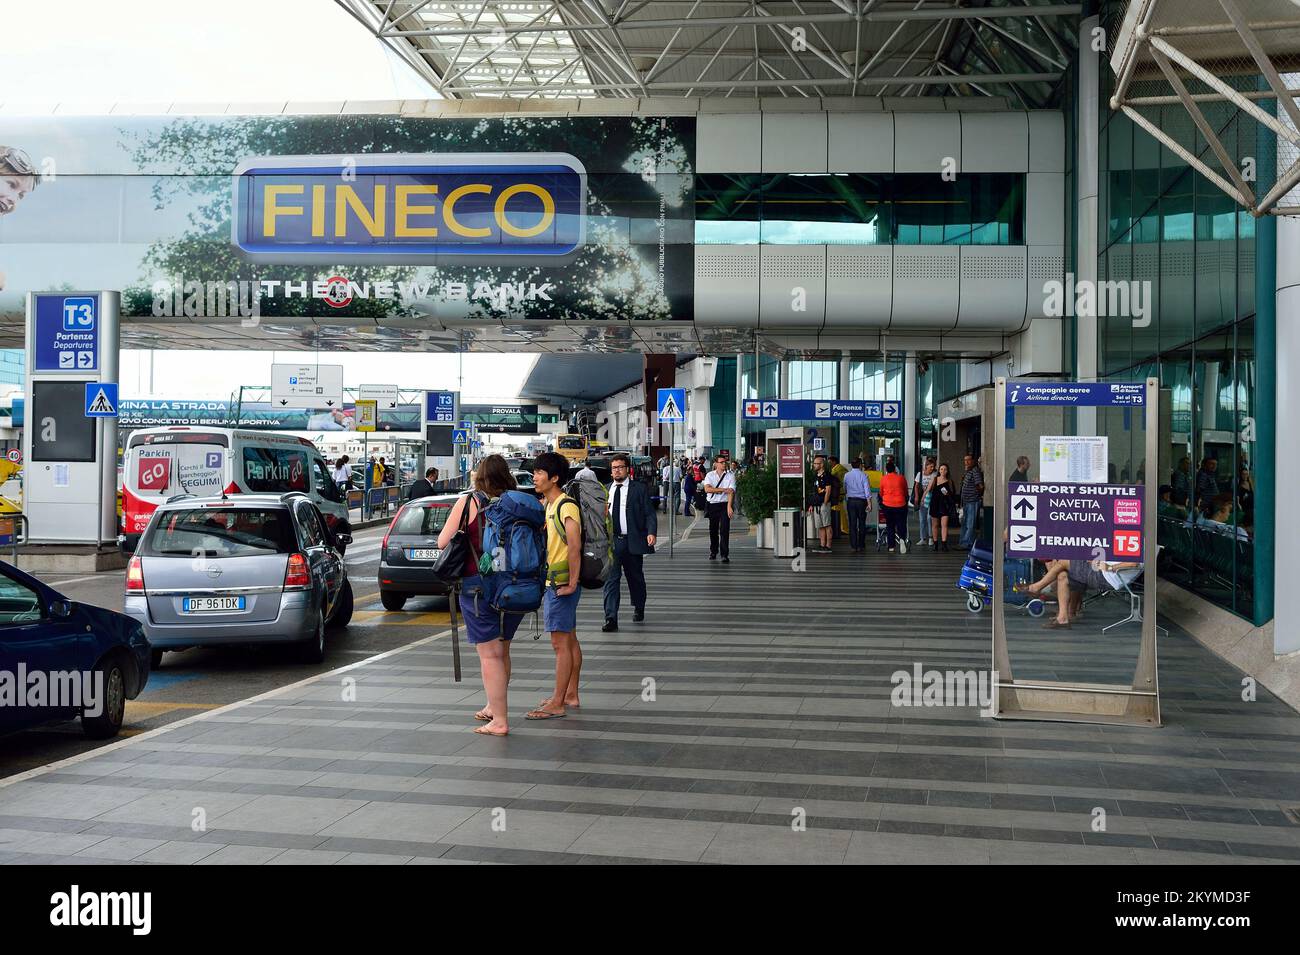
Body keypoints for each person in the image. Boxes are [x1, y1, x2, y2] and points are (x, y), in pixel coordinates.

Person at [436, 455, 521, 737]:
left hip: (478, 585)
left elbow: (443, 542)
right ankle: (493, 706)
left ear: (479, 476)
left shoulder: (469, 502)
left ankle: (500, 720)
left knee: (489, 654)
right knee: (503, 649)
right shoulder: (516, 501)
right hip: (513, 585)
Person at [527, 451, 584, 721]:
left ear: (555, 478)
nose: (535, 476)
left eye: (539, 472)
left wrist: (572, 583)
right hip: (556, 581)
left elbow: (574, 546)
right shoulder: (550, 505)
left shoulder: (566, 505)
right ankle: (570, 694)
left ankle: (558, 702)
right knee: (569, 640)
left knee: (559, 644)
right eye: (535, 472)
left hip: (562, 584)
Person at [603, 453, 656, 631]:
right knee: (611, 580)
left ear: (627, 469)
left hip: (632, 541)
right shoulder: (605, 489)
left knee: (635, 579)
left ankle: (639, 606)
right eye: (614, 468)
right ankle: (611, 618)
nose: (617, 471)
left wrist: (651, 532)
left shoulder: (638, 489)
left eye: (620, 467)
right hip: (612, 543)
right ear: (611, 472)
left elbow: (649, 513)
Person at [1022, 557, 1143, 630]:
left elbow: (1134, 563)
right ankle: (1064, 617)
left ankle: (1036, 588)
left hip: (1108, 577)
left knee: (1064, 562)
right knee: (1063, 575)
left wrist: (1108, 567)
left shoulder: (1136, 541)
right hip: (1106, 574)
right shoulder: (1136, 539)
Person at [703, 455, 737, 562]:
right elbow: (707, 489)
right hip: (712, 505)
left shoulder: (730, 476)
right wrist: (723, 490)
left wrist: (729, 507)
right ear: (716, 464)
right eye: (721, 462)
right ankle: (713, 551)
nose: (724, 464)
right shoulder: (710, 475)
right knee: (713, 529)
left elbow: (731, 491)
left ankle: (724, 554)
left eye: (725, 462)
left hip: (724, 504)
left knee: (724, 530)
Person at [879, 461, 909, 554]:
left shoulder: (884, 479)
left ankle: (891, 546)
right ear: (895, 469)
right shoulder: (901, 478)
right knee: (901, 523)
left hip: (887, 505)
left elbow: (881, 493)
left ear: (886, 470)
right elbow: (905, 491)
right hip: (900, 504)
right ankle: (902, 539)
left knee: (890, 525)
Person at [807, 454, 835, 554]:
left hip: (824, 504)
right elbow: (813, 491)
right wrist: (811, 504)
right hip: (816, 504)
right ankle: (822, 544)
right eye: (814, 463)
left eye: (816, 463)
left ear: (822, 464)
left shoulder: (827, 476)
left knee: (827, 524)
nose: (814, 465)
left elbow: (828, 490)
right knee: (820, 525)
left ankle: (828, 545)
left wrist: (825, 503)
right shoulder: (815, 476)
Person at [843, 458, 872, 553]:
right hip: (862, 502)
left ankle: (853, 546)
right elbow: (867, 490)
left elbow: (845, 489)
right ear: (860, 465)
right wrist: (869, 503)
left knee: (852, 524)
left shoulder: (846, 475)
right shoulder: (864, 475)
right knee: (862, 524)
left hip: (851, 502)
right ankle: (861, 545)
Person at [958, 453, 985, 550]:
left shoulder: (975, 471)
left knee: (970, 524)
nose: (966, 462)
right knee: (965, 523)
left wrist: (976, 495)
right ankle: (965, 542)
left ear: (973, 461)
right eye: (965, 460)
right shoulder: (968, 472)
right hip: (966, 502)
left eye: (969, 460)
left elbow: (980, 486)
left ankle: (965, 544)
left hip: (972, 502)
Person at [929, 462, 957, 551]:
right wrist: (922, 499)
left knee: (944, 525)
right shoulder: (935, 479)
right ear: (939, 470)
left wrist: (947, 494)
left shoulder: (949, 481)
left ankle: (944, 544)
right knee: (935, 525)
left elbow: (952, 494)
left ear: (947, 471)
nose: (943, 471)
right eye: (941, 469)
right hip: (935, 504)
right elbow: (928, 490)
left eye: (945, 469)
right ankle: (936, 543)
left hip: (945, 505)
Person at [912, 457, 937, 547]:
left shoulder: (935, 474)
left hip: (931, 498)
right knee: (922, 519)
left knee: (929, 518)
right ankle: (922, 538)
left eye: (933, 466)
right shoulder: (920, 474)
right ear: (926, 466)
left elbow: (932, 486)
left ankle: (931, 538)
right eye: (931, 466)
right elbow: (916, 486)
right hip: (922, 498)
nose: (932, 468)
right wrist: (917, 497)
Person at [829, 455, 849, 539]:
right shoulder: (841, 469)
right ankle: (842, 528)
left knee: (838, 510)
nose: (828, 463)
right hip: (840, 493)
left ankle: (843, 529)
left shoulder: (837, 470)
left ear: (834, 462)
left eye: (829, 462)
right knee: (840, 510)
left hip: (837, 493)